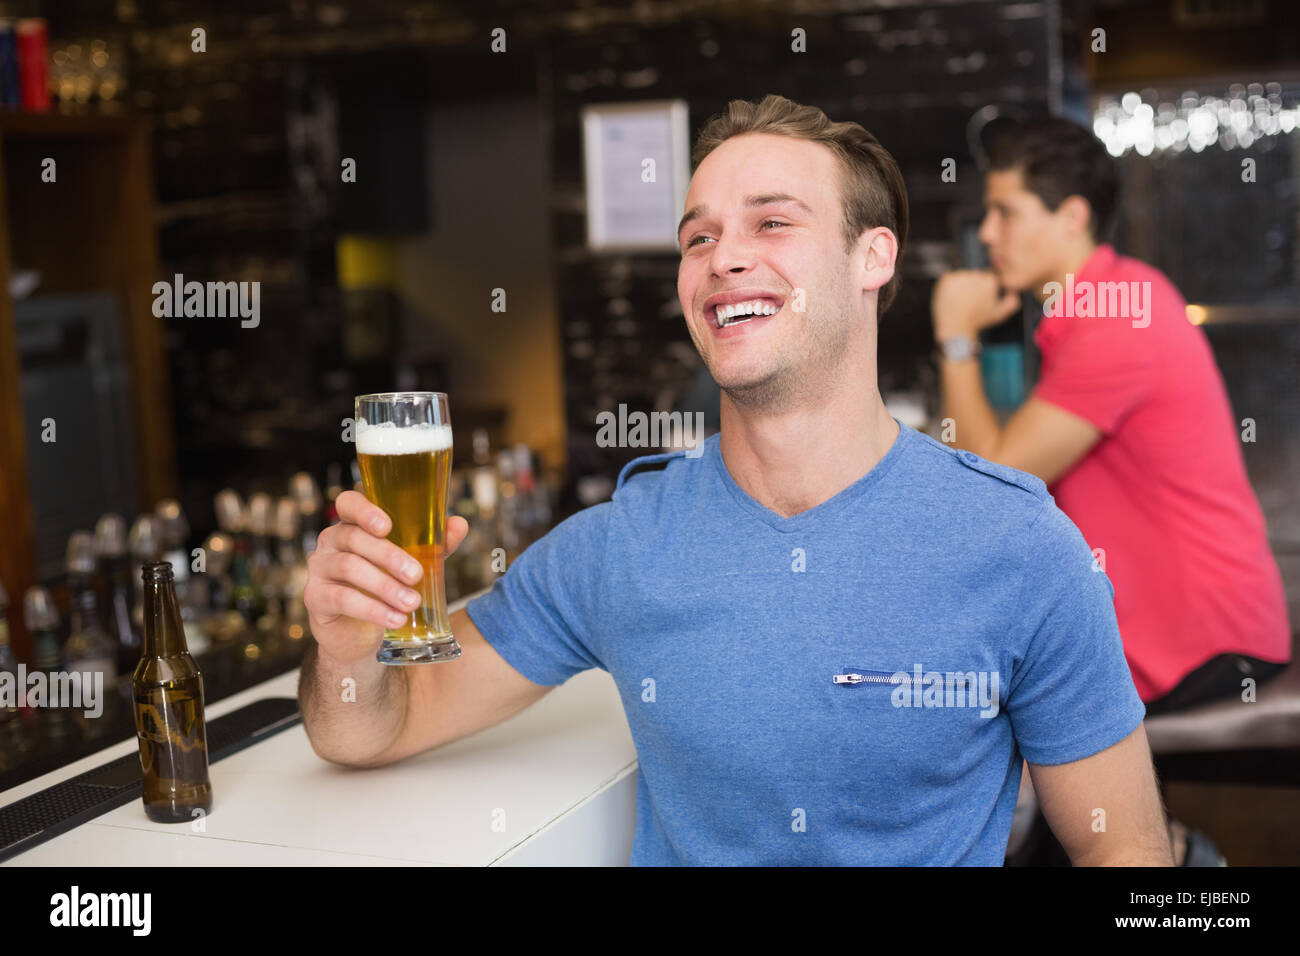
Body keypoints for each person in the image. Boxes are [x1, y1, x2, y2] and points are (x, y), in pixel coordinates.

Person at [299, 94, 1173, 865]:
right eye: (699, 237)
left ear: (873, 258)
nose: (723, 258)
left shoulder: (1021, 545)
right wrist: (345, 651)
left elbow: (1123, 847)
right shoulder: (619, 544)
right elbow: (378, 726)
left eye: (772, 222)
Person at [933, 117, 1291, 865]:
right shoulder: (1106, 304)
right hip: (1169, 632)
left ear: (1070, 216)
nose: (988, 232)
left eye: (1005, 211)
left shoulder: (1118, 317)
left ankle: (1184, 861)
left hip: (1201, 646)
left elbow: (996, 479)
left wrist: (957, 337)